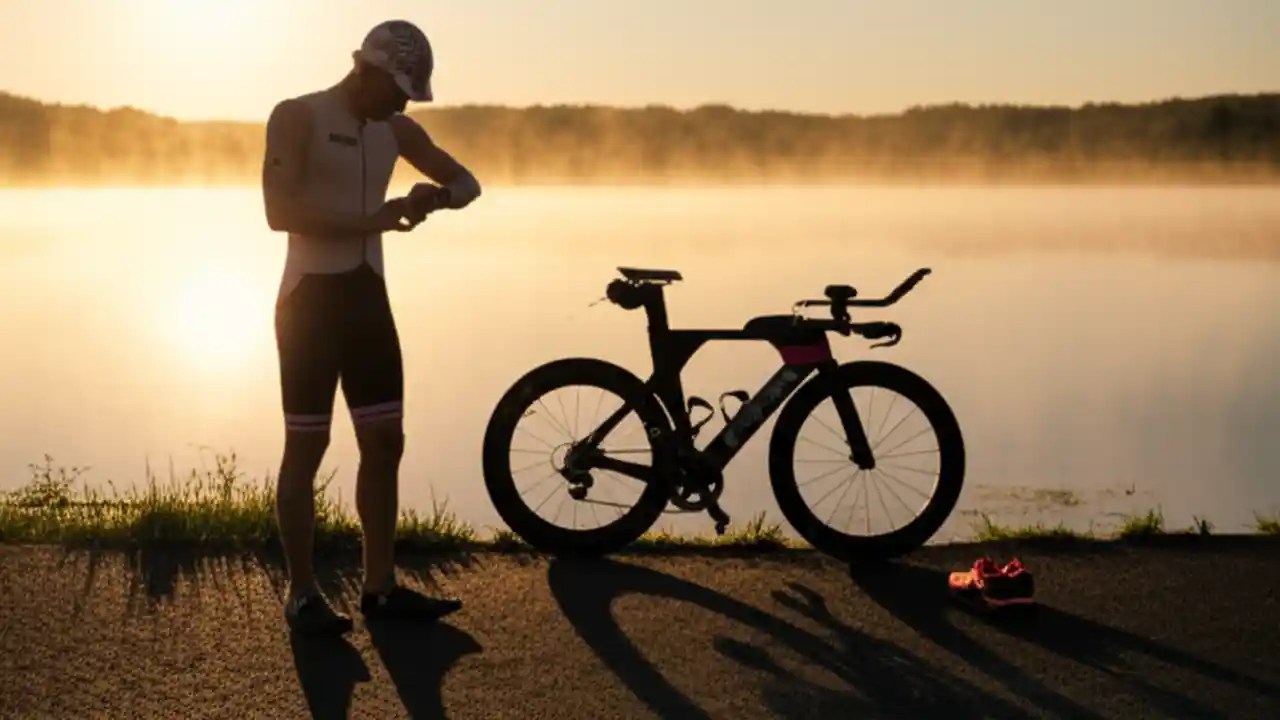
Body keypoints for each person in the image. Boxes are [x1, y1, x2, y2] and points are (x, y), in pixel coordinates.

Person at [260, 19, 482, 636]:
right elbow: (280, 212)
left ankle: (379, 588)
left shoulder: (397, 128)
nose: (404, 103)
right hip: (308, 302)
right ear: (366, 70)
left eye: (411, 93)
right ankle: (302, 594)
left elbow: (468, 183)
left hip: (366, 301)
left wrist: (430, 199)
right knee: (307, 446)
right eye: (399, 89)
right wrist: (375, 222)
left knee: (386, 444)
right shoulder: (297, 115)